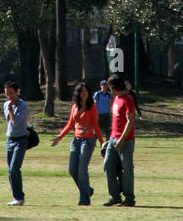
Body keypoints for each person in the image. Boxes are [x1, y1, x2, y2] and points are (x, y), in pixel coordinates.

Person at [52, 80, 104, 206]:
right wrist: (59, 137)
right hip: (76, 140)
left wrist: (102, 142)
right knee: (72, 170)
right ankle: (87, 189)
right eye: (82, 92)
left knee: (82, 170)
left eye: (86, 91)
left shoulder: (92, 107)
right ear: (78, 94)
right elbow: (70, 124)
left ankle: (84, 199)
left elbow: (96, 126)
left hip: (88, 140)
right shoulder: (75, 106)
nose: (84, 94)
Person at [103, 72, 136, 207]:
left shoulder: (127, 99)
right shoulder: (116, 98)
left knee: (127, 169)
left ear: (114, 86)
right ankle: (114, 196)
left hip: (126, 141)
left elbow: (131, 120)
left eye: (110, 87)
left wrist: (122, 139)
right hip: (112, 138)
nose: (109, 89)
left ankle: (129, 199)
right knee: (108, 165)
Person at [3, 78, 30, 206]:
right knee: (10, 170)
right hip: (10, 140)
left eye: (11, 94)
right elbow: (8, 122)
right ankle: (15, 197)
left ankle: (20, 197)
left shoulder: (23, 105)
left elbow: (15, 122)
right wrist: (8, 108)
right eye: (7, 94)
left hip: (21, 140)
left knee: (15, 168)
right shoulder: (6, 104)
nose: (9, 97)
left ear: (17, 92)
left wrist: (10, 110)